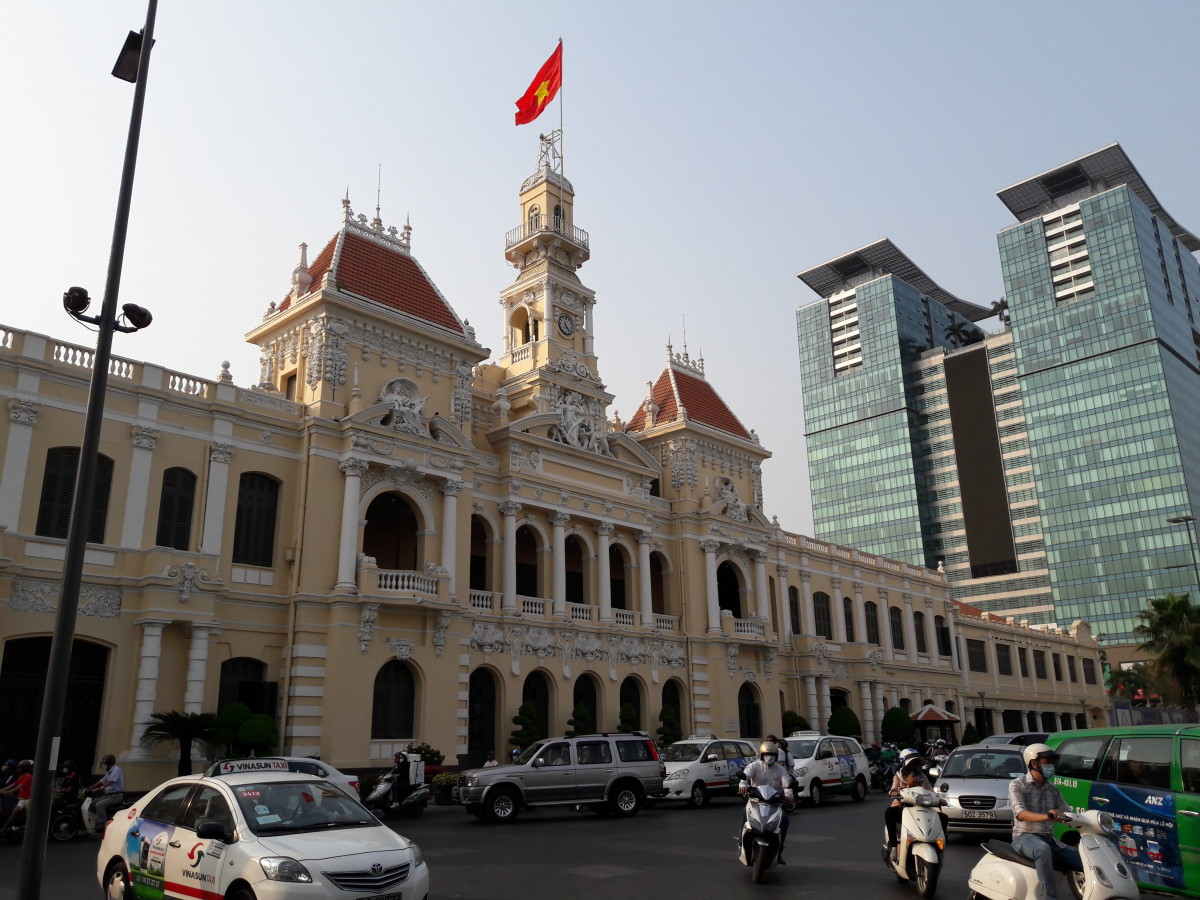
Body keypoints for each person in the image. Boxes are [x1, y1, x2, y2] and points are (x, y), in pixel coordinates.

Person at [1008, 743, 1082, 900]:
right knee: (1042, 849)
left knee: (1085, 858)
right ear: (1034, 763)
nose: (1051, 766)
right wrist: (1047, 816)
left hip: (1050, 839)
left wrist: (1079, 820)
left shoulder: (1053, 789)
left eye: (1053, 762)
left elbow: (1067, 813)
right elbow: (1020, 813)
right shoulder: (1017, 784)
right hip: (1024, 837)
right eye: (1047, 761)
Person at [738, 740, 796, 865]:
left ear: (776, 757)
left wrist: (788, 796)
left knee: (785, 821)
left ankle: (779, 852)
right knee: (744, 815)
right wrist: (743, 785)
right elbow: (745, 776)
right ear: (762, 756)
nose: (769, 758)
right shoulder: (754, 766)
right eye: (766, 755)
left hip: (774, 803)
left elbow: (787, 784)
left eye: (772, 756)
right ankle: (741, 842)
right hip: (755, 800)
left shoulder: (780, 769)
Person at [86, 753, 124, 834]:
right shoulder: (109, 772)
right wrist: (91, 787)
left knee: (99, 805)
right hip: (108, 795)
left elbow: (110, 781)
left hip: (116, 796)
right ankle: (95, 822)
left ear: (109, 763)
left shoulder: (116, 770)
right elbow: (101, 781)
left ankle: (104, 826)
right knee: (92, 803)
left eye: (105, 763)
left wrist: (101, 788)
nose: (104, 765)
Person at [0, 759, 33, 831]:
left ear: (24, 768)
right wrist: (1, 791)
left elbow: (18, 787)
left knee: (16, 810)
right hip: (22, 798)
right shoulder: (22, 776)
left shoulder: (28, 776)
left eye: (19, 767)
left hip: (27, 799)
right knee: (14, 810)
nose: (17, 768)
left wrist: (5, 792)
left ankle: (4, 828)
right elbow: (13, 785)